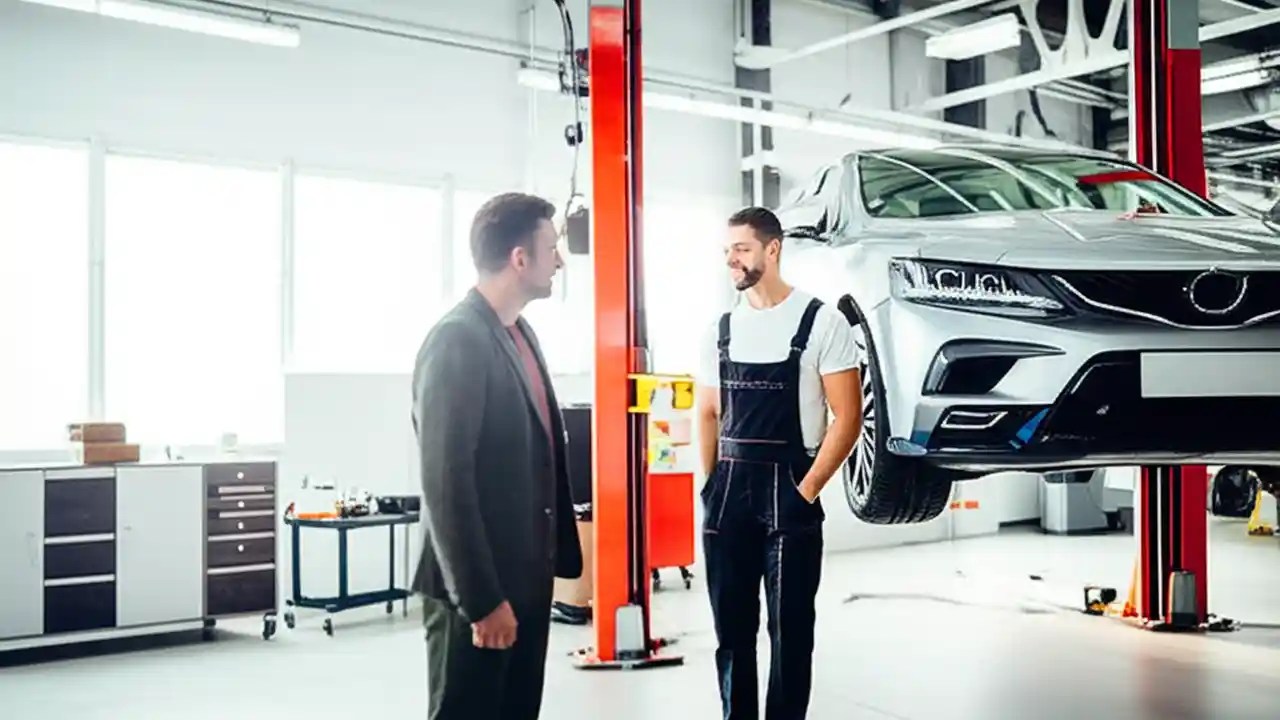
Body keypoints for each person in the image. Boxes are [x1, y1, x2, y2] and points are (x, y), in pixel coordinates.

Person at [411, 192, 583, 720]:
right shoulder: (457, 341)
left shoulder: (519, 333)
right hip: (476, 595)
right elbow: (446, 484)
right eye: (551, 248)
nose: (559, 260)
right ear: (519, 258)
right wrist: (481, 600)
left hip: (525, 583)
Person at [695, 206, 863, 720]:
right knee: (732, 632)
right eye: (727, 250)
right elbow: (707, 412)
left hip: (790, 493)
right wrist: (711, 485)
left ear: (773, 249)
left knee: (790, 633)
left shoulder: (822, 322)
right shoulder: (721, 328)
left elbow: (848, 417)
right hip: (728, 494)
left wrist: (806, 490)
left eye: (742, 248)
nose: (732, 259)